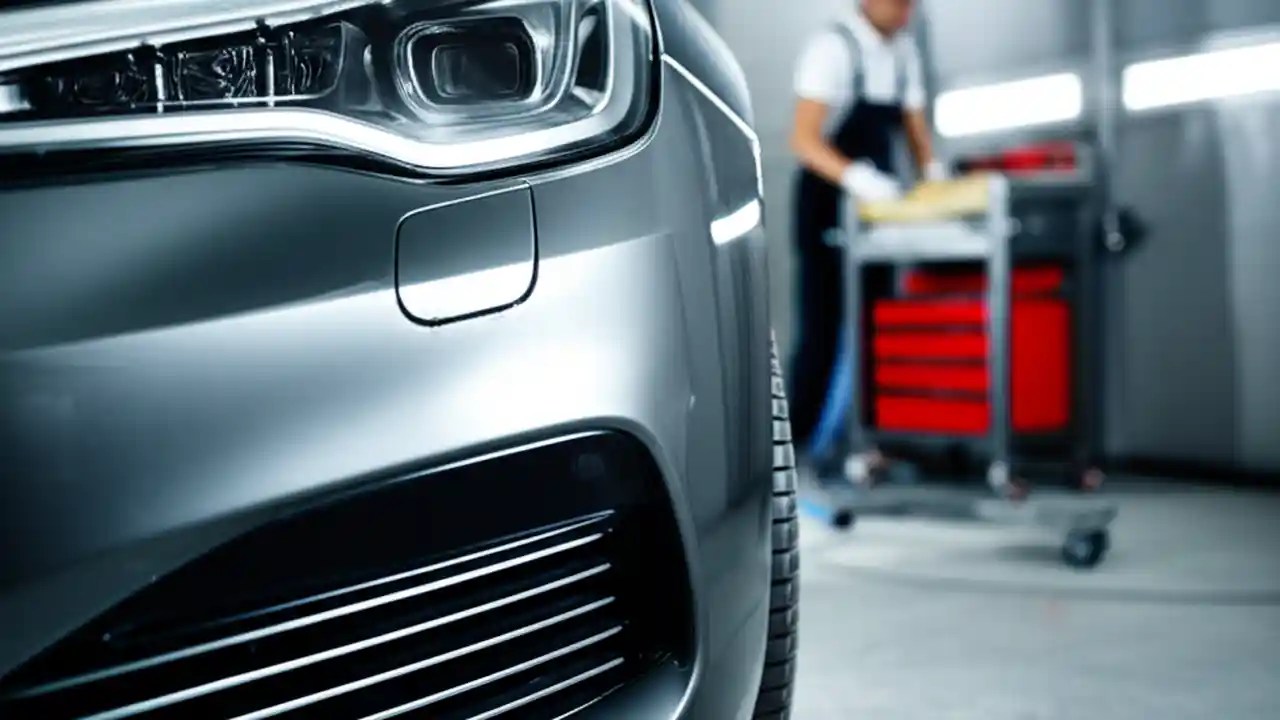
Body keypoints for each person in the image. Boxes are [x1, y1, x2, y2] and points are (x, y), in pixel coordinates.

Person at [787, 0, 945, 459]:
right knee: (824, 328)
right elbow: (803, 140)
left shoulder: (903, 54)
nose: (905, 10)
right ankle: (802, 449)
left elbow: (915, 130)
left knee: (876, 323)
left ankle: (869, 444)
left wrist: (932, 174)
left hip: (877, 214)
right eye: (897, 2)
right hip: (828, 205)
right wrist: (857, 177)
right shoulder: (832, 48)